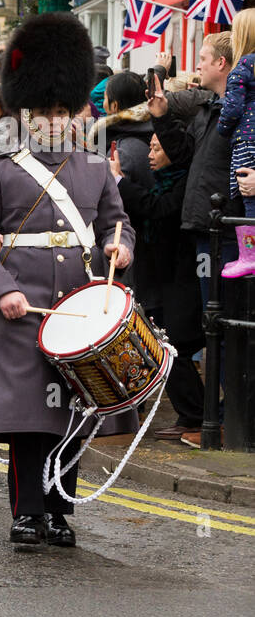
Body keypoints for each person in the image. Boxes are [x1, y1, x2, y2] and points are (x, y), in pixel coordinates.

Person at [0, 12, 135, 547]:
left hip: (78, 312)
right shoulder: (2, 168)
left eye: (62, 113)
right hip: (22, 310)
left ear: (76, 112)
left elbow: (117, 222)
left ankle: (59, 511)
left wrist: (120, 247)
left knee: (71, 419)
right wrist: (3, 291)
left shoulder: (93, 169)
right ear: (27, 114)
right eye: (43, 114)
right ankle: (26, 511)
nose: (53, 122)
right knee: (28, 418)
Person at [108, 133, 205, 440]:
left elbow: (158, 208)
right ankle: (194, 416)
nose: (150, 154)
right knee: (167, 345)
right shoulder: (161, 179)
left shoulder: (181, 182)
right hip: (166, 278)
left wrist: (121, 182)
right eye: (149, 147)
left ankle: (196, 417)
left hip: (186, 275)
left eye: (157, 148)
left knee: (174, 346)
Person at [154, 31, 234, 304]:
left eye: (202, 59)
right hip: (204, 227)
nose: (197, 65)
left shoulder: (240, 110)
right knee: (209, 309)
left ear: (221, 63)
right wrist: (162, 117)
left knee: (224, 310)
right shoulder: (206, 108)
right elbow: (184, 154)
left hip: (227, 231)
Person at [217, 9, 255, 277]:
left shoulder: (242, 66)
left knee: (247, 195)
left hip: (246, 139)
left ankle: (249, 254)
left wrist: (222, 128)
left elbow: (232, 107)